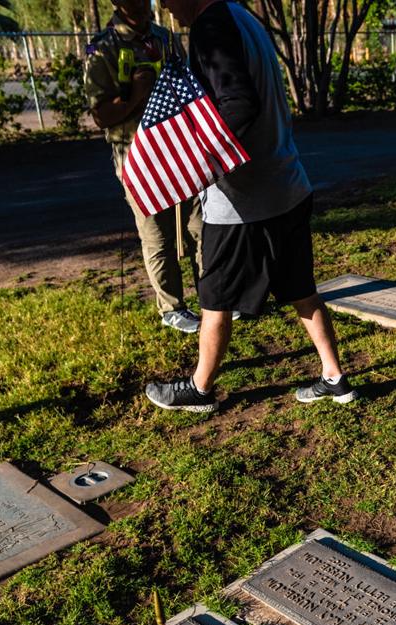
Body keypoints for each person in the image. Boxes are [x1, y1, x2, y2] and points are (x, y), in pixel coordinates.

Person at [144, 0, 356, 412]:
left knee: (214, 298)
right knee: (301, 288)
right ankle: (335, 377)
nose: (165, 5)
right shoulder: (242, 16)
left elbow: (239, 102)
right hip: (287, 184)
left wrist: (200, 164)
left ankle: (200, 389)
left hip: (241, 203)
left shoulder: (210, 25)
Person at [85, 0, 204, 334]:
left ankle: (213, 298)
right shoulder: (103, 48)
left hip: (178, 148)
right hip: (138, 157)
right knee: (158, 235)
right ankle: (172, 308)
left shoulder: (165, 39)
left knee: (200, 226)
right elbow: (101, 116)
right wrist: (136, 94)